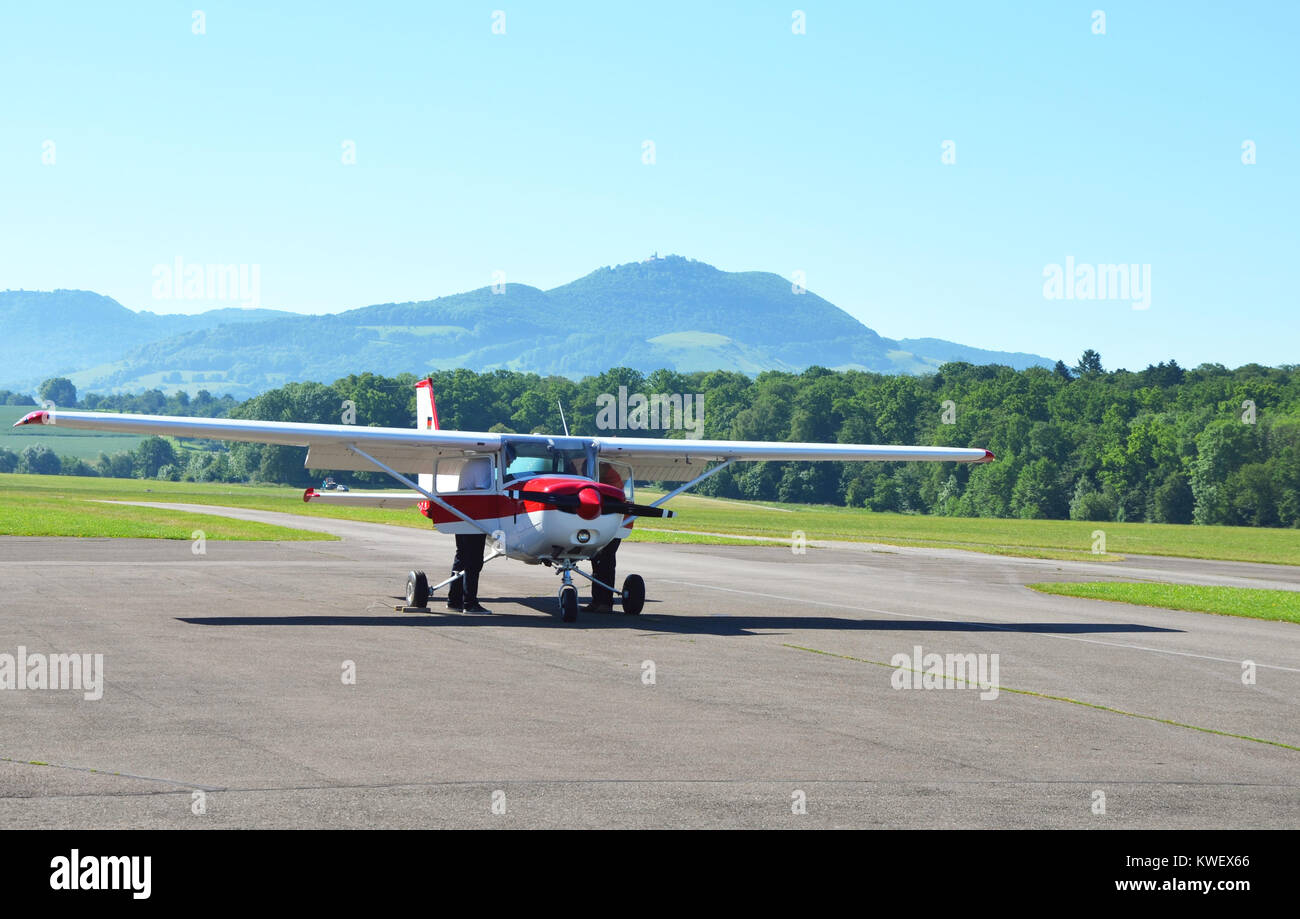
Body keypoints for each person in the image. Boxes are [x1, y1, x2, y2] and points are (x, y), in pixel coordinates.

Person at [446, 456, 494, 613]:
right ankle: (470, 603)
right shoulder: (485, 465)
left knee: (461, 557)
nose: (509, 463)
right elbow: (483, 491)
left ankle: (454, 601)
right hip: (474, 517)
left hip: (461, 513)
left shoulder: (473, 462)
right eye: (510, 460)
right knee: (473, 561)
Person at [586, 462, 625, 614]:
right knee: (597, 562)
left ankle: (605, 603)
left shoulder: (609, 477)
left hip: (614, 525)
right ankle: (597, 601)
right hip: (600, 523)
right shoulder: (601, 475)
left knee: (605, 561)